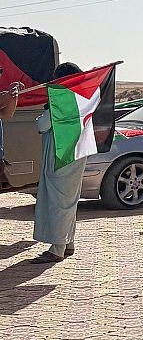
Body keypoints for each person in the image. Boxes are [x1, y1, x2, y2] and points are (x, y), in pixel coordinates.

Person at [29, 62, 86, 265]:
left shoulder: (64, 100)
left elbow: (42, 125)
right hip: (74, 155)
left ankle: (57, 249)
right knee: (68, 201)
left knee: (58, 202)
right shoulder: (80, 99)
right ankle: (67, 243)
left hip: (60, 157)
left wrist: (49, 108)